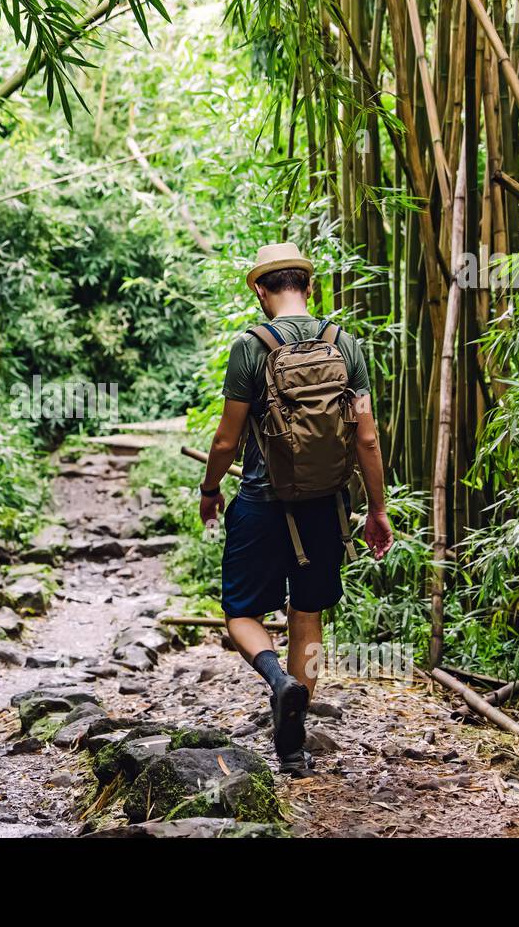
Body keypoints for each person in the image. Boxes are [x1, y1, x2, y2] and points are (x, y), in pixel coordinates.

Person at [198, 243, 393, 776]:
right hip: (326, 504)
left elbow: (226, 440)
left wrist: (210, 489)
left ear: (260, 290)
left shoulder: (251, 347)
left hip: (263, 500)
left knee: (241, 613)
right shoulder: (344, 344)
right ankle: (293, 749)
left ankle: (277, 681)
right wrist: (376, 509)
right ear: (309, 286)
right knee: (308, 615)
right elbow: (368, 438)